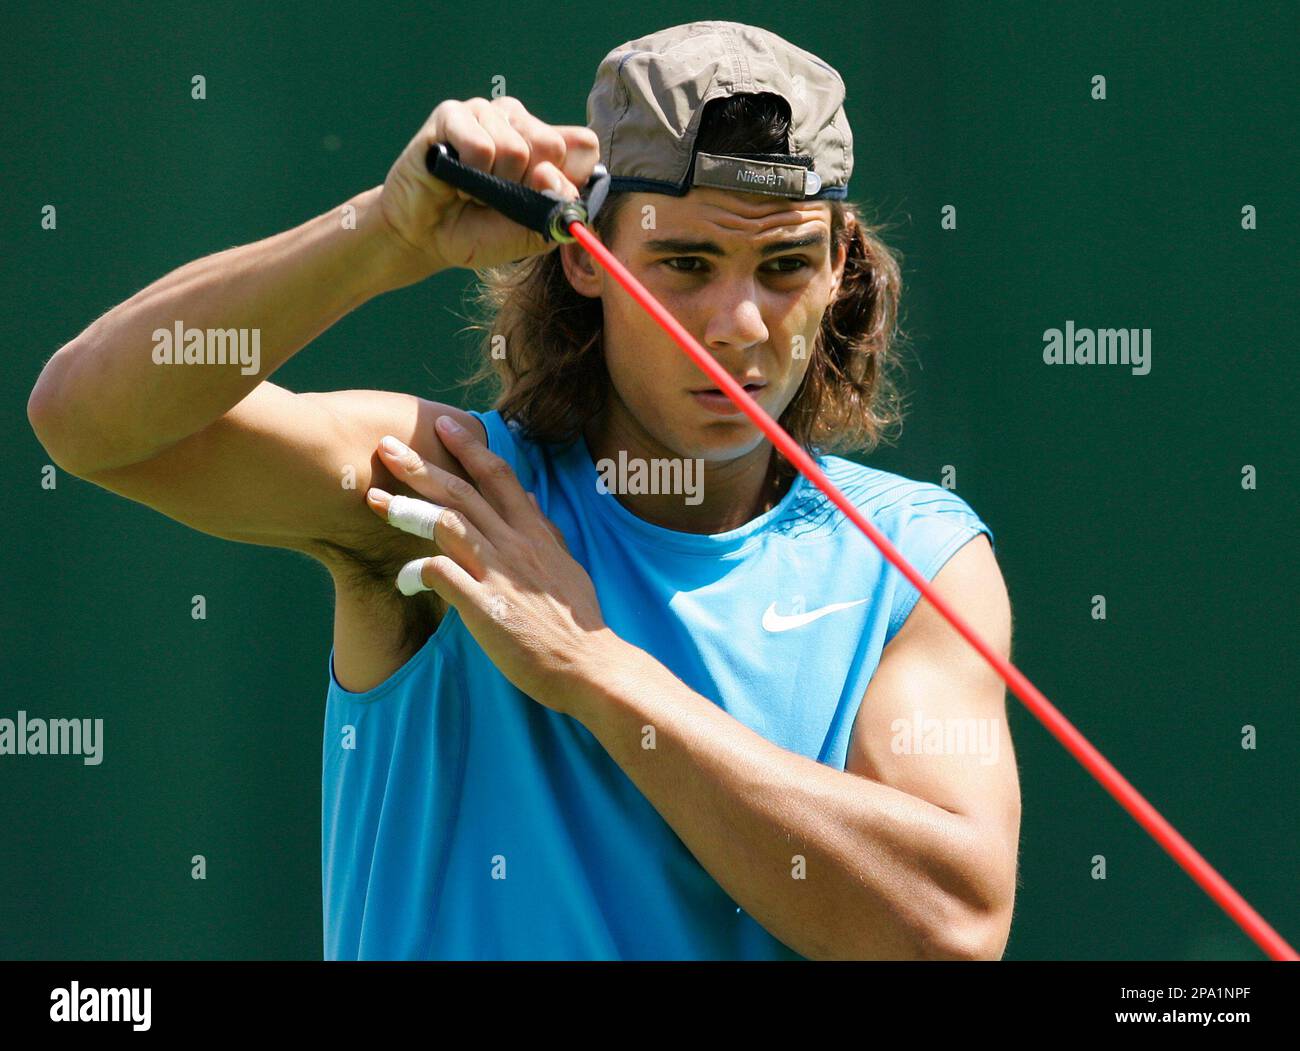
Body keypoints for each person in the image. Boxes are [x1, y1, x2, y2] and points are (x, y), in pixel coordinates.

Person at [27, 20, 1020, 960]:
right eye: (683, 261)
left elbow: (948, 926)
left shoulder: (917, 556)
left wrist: (592, 669)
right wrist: (384, 236)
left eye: (784, 264)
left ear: (838, 263)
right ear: (588, 261)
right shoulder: (454, 487)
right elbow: (85, 421)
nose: (738, 324)